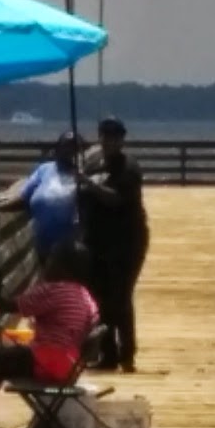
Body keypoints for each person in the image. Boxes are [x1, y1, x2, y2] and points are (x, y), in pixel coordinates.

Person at [78, 116, 150, 372]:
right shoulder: (95, 164)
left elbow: (116, 199)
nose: (108, 142)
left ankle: (127, 354)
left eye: (113, 137)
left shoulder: (129, 168)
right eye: (104, 136)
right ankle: (107, 354)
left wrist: (88, 185)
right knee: (99, 298)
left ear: (121, 140)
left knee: (120, 297)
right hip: (98, 240)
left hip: (127, 241)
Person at [0, 240, 99, 390]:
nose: (47, 264)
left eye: (52, 259)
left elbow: (12, 306)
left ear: (63, 268)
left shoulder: (54, 291)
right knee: (3, 358)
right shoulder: (85, 295)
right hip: (70, 367)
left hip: (44, 363)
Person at [0, 131, 83, 261]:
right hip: (43, 246)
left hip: (71, 248)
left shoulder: (84, 175)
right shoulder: (44, 169)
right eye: (66, 145)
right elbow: (24, 196)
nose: (70, 150)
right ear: (58, 148)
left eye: (74, 147)